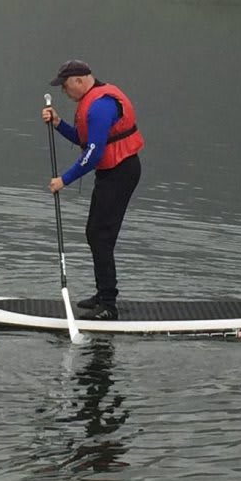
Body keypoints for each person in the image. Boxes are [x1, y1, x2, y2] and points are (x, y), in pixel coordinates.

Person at [41, 59, 144, 320]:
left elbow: (94, 153)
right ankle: (103, 294)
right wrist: (58, 122)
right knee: (94, 233)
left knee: (101, 236)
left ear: (79, 80)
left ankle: (108, 305)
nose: (65, 92)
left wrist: (64, 179)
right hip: (110, 173)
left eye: (66, 87)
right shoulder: (91, 103)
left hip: (121, 172)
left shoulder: (100, 106)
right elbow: (83, 138)